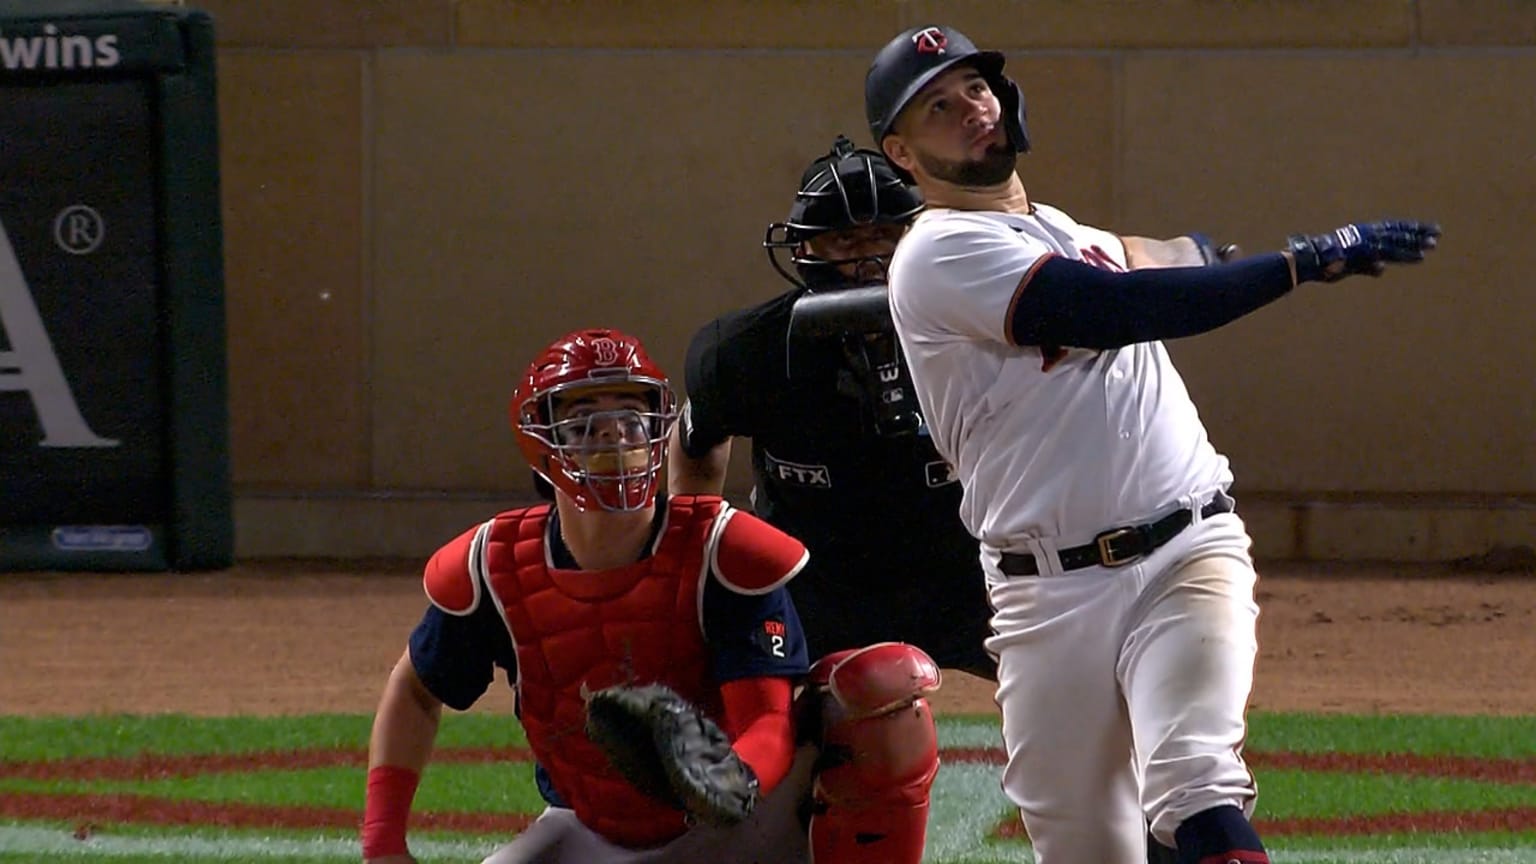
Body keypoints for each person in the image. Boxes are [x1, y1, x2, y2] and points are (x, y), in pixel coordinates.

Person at [862, 24, 1441, 864]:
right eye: (937, 108)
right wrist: (1302, 261)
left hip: (1187, 553)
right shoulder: (939, 254)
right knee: (1089, 848)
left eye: (975, 89)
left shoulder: (1061, 228)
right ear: (903, 154)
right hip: (1048, 601)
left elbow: (1148, 265)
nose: (970, 111)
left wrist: (1202, 258)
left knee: (1192, 781)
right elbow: (1117, 309)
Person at [362, 327, 944, 864]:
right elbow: (415, 691)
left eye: (630, 415)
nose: (613, 433)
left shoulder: (721, 550)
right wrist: (384, 842)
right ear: (542, 441)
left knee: (883, 689)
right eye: (583, 418)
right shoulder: (494, 566)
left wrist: (730, 779)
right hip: (587, 828)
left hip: (738, 826)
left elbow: (767, 717)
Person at [669, 134, 997, 681]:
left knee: (1071, 696)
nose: (870, 261)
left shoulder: (989, 334)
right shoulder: (748, 352)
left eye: (887, 236)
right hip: (810, 588)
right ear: (808, 251)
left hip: (962, 578)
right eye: (846, 242)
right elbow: (697, 439)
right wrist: (694, 563)